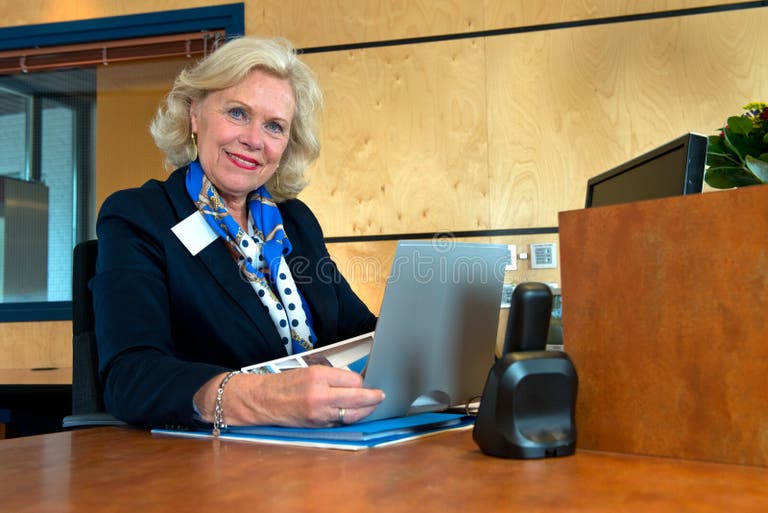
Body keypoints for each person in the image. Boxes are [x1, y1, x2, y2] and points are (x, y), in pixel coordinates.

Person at [92, 36, 385, 431]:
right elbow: (130, 375)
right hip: (211, 462)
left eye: (274, 126)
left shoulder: (295, 222)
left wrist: (425, 343)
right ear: (195, 114)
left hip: (326, 450)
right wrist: (264, 399)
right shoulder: (140, 216)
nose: (254, 139)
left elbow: (358, 332)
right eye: (237, 113)